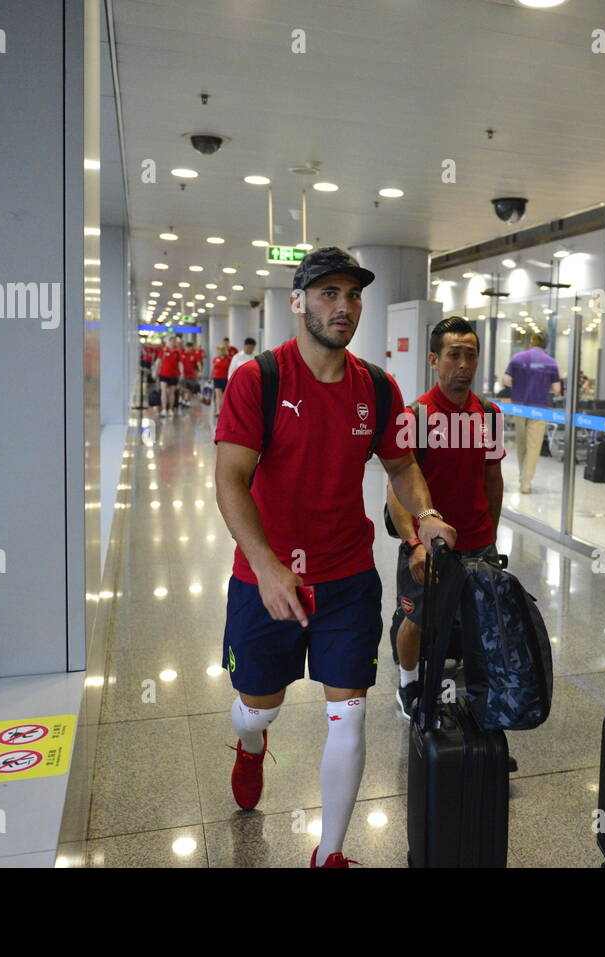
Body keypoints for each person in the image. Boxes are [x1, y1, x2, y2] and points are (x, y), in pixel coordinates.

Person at [214, 246, 456, 869]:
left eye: (352, 295)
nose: (343, 306)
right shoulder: (258, 379)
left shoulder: (376, 385)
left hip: (346, 576)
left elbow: (402, 466)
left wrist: (422, 518)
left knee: (348, 716)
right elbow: (230, 480)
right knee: (254, 707)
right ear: (297, 302)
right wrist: (267, 566)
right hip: (265, 579)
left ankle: (331, 854)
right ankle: (249, 744)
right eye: (328, 293)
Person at [386, 315, 504, 720]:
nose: (464, 365)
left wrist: (492, 533)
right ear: (435, 360)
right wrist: (414, 544)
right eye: (454, 355)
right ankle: (408, 684)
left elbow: (493, 477)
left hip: (477, 539)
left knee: (480, 618)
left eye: (471, 355)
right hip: (428, 544)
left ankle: (476, 692)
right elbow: (397, 489)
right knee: (416, 617)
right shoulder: (415, 415)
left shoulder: (490, 413)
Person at [501, 332, 560, 494]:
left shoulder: (518, 358)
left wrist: (519, 385)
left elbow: (506, 380)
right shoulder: (551, 362)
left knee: (521, 443)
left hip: (519, 406)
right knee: (533, 446)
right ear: (545, 343)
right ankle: (525, 483)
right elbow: (557, 390)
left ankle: (522, 475)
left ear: (531, 342)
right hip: (539, 408)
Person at [156, 335, 181, 417]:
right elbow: (158, 362)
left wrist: (182, 373)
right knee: (163, 391)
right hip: (163, 374)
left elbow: (180, 363)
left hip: (174, 375)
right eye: (171, 341)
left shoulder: (177, 352)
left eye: (174, 341)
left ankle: (170, 409)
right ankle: (164, 409)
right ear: (168, 342)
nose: (172, 343)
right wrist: (155, 372)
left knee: (172, 392)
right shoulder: (163, 350)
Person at [211, 345, 232, 414]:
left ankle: (223, 409)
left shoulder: (228, 359)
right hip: (216, 378)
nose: (219, 352)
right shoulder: (216, 358)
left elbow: (231, 369)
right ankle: (218, 410)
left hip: (225, 378)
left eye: (220, 350)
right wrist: (211, 376)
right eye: (218, 350)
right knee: (217, 394)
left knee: (223, 396)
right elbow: (213, 368)